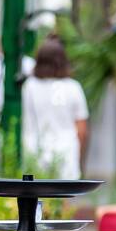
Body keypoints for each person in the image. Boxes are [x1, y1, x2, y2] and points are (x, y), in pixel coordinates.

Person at [21, 38, 89, 179]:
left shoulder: (28, 86)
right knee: (65, 197)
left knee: (38, 198)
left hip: (34, 150)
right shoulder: (73, 87)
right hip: (66, 150)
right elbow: (81, 130)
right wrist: (80, 158)